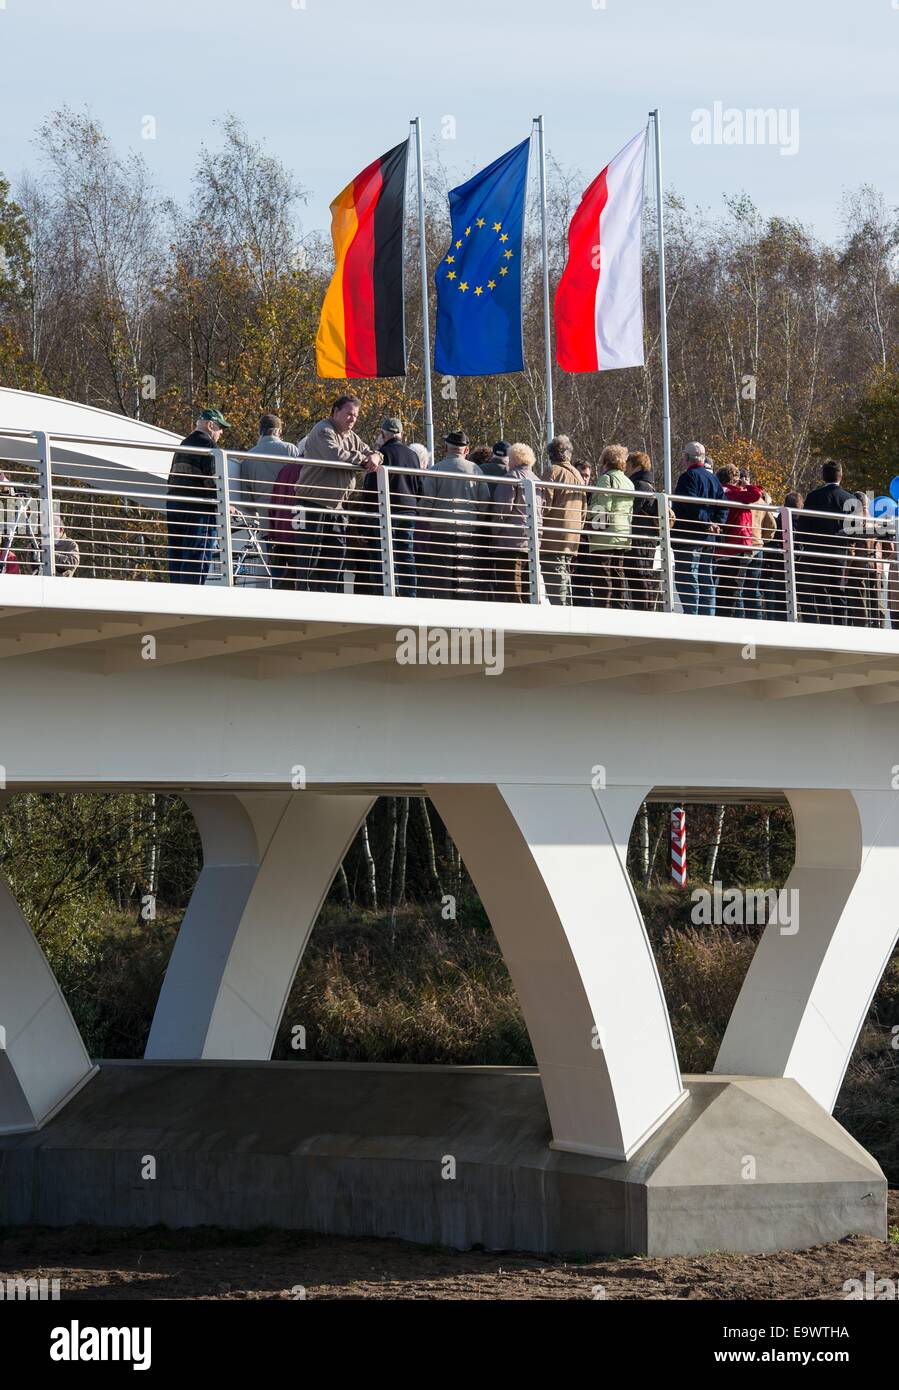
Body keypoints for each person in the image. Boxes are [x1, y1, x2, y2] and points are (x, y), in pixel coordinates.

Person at [293, 395, 380, 592]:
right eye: (349, 414)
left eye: (356, 416)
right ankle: (306, 603)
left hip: (336, 507)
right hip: (311, 504)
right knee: (310, 557)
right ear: (335, 412)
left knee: (337, 556)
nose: (353, 419)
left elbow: (373, 452)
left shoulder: (352, 437)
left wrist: (375, 456)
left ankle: (330, 601)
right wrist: (364, 460)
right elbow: (336, 455)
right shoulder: (323, 430)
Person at [351, 417, 422, 597]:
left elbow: (370, 489)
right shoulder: (413, 455)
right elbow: (419, 486)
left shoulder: (381, 455)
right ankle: (409, 595)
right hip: (408, 511)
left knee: (381, 556)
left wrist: (363, 523)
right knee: (406, 554)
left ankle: (384, 594)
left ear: (383, 435)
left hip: (384, 511)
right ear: (401, 434)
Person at [419, 430, 489, 598]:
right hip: (468, 532)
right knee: (465, 578)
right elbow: (485, 503)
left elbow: (426, 501)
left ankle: (445, 614)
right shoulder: (476, 470)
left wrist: (425, 518)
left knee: (442, 578)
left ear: (446, 448)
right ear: (466, 450)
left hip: (440, 532)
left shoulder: (436, 470)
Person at [166, 408, 230, 584]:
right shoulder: (209, 446)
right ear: (210, 425)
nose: (221, 432)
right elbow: (212, 481)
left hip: (174, 504)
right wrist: (226, 504)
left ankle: (177, 595)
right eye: (220, 428)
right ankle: (192, 598)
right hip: (197, 509)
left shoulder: (184, 443)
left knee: (177, 554)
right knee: (197, 556)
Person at [794, 460, 855, 624]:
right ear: (840, 475)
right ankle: (840, 628)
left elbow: (803, 526)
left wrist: (807, 544)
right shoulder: (849, 498)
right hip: (838, 553)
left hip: (817, 552)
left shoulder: (813, 497)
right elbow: (854, 531)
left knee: (820, 591)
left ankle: (825, 627)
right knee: (838, 591)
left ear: (823, 476)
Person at [671, 441, 725, 615]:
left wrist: (707, 523)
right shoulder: (714, 479)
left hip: (690, 537)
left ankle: (692, 618)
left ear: (686, 458)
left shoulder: (688, 477)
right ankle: (707, 616)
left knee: (688, 577)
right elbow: (724, 506)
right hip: (708, 539)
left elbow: (689, 504)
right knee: (705, 578)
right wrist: (717, 523)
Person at [492, 442, 544, 602]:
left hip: (511, 539)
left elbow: (502, 508)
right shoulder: (537, 480)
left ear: (513, 459)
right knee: (529, 585)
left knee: (511, 586)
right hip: (532, 539)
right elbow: (543, 509)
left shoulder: (511, 478)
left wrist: (494, 532)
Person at [584, 444, 634, 608]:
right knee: (617, 573)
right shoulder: (628, 482)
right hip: (623, 534)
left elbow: (602, 507)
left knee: (602, 575)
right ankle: (619, 608)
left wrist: (589, 524)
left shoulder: (607, 479)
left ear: (606, 461)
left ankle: (603, 609)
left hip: (604, 536)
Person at [541, 435, 587, 606]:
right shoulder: (577, 475)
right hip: (571, 538)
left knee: (556, 586)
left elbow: (543, 505)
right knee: (565, 581)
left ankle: (563, 621)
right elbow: (584, 510)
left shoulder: (552, 471)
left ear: (551, 454)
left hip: (552, 539)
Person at [713, 464, 764, 618]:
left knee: (724, 585)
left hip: (724, 546)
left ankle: (722, 617)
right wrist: (746, 484)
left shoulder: (719, 492)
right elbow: (756, 494)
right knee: (735, 587)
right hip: (738, 544)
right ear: (735, 479)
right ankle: (732, 621)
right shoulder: (734, 493)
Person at [624, 451, 662, 611]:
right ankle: (645, 609)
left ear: (637, 466)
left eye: (628, 464)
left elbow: (632, 510)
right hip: (648, 538)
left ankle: (643, 610)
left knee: (639, 575)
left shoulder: (639, 485)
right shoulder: (650, 485)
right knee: (643, 575)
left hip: (640, 537)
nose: (625, 468)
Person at [763, 491, 802, 620]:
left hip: (779, 561)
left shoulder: (778, 519)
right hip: (797, 563)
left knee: (781, 597)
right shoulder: (802, 521)